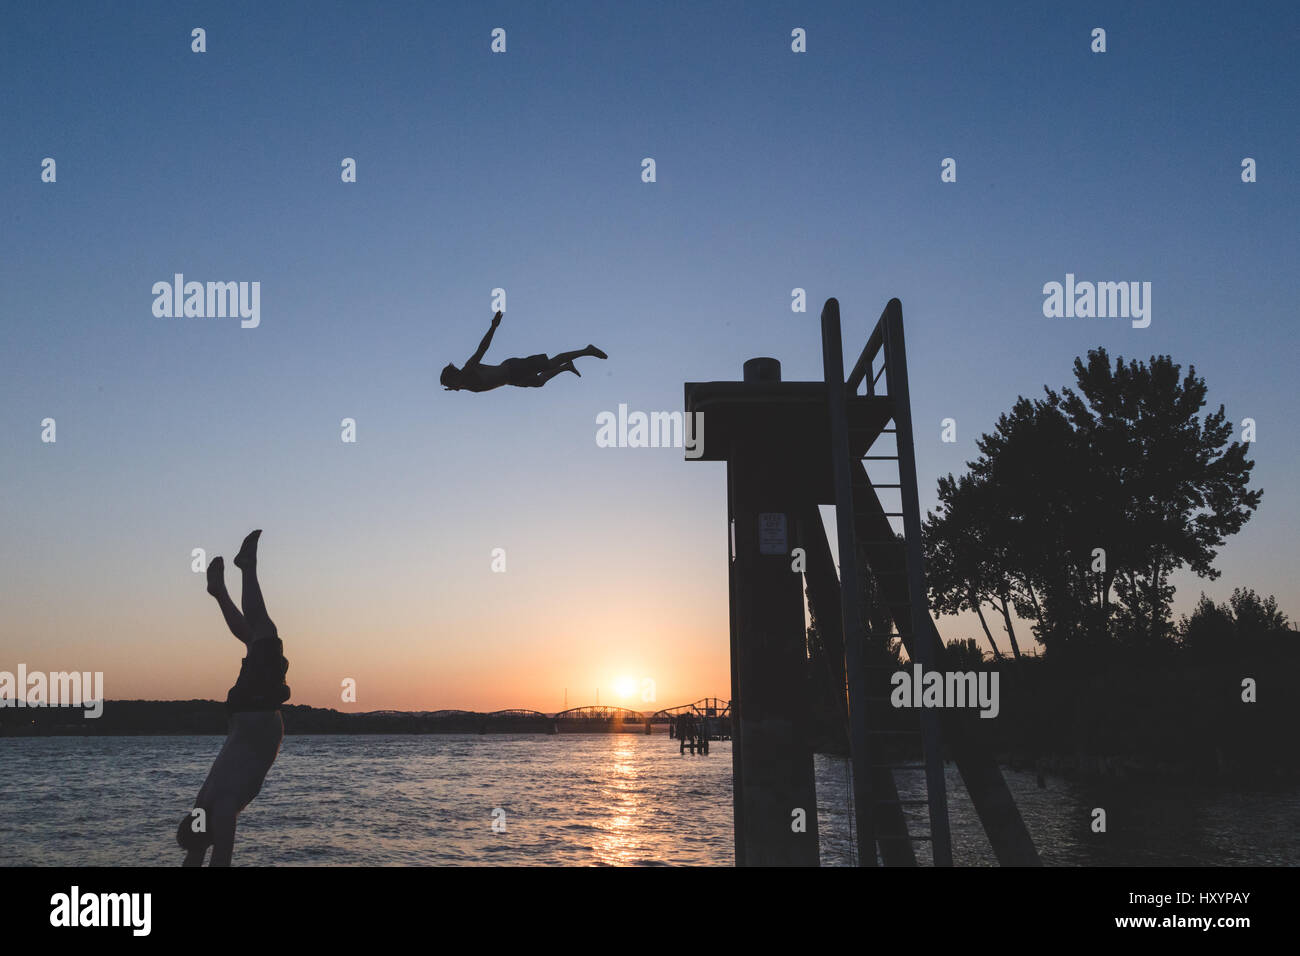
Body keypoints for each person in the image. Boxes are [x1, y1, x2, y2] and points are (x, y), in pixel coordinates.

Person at [178, 529, 289, 866]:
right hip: (242, 713)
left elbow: (220, 857)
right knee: (255, 638)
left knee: (265, 634)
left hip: (255, 710)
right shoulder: (203, 801)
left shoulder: (220, 806)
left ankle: (246, 567)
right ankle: (220, 592)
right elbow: (197, 851)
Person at [440, 311, 607, 391]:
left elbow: (482, 349)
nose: (452, 387)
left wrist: (493, 326)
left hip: (512, 368)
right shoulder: (462, 384)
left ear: (454, 376)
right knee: (540, 382)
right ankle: (566, 367)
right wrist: (455, 386)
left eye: (450, 383)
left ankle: (587, 350)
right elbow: (459, 385)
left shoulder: (468, 369)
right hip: (512, 379)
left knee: (550, 363)